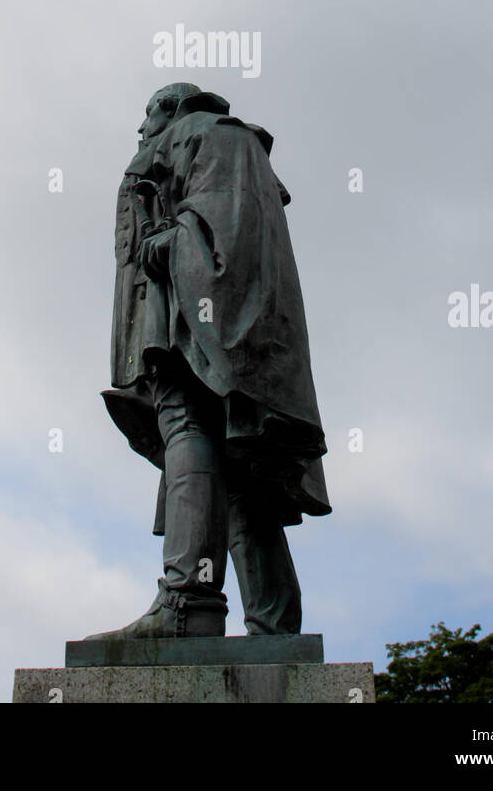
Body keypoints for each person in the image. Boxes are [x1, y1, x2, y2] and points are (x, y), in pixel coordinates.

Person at [87, 83, 330, 640]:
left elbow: (222, 223)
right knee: (244, 476)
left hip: (197, 325)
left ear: (170, 110)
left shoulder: (207, 136)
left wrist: (171, 242)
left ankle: (187, 603)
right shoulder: (227, 143)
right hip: (222, 326)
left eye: (147, 115)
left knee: (188, 425)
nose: (141, 130)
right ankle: (273, 626)